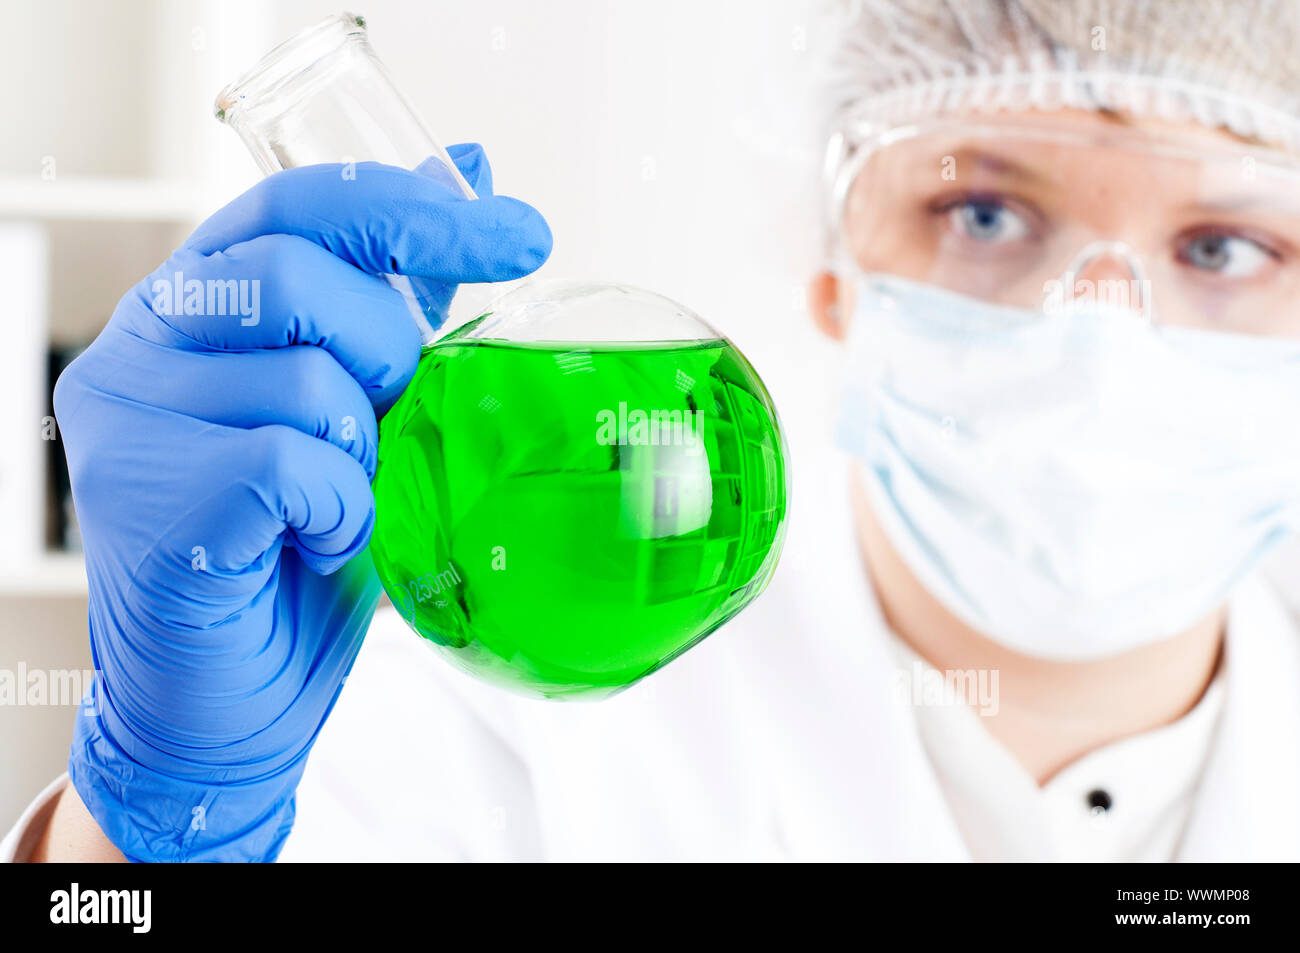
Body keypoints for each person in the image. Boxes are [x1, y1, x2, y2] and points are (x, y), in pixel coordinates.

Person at [7, 0, 1300, 862]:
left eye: (1228, 241)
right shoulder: (470, 704)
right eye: (984, 213)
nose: (1096, 335)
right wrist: (154, 820)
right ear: (832, 256)